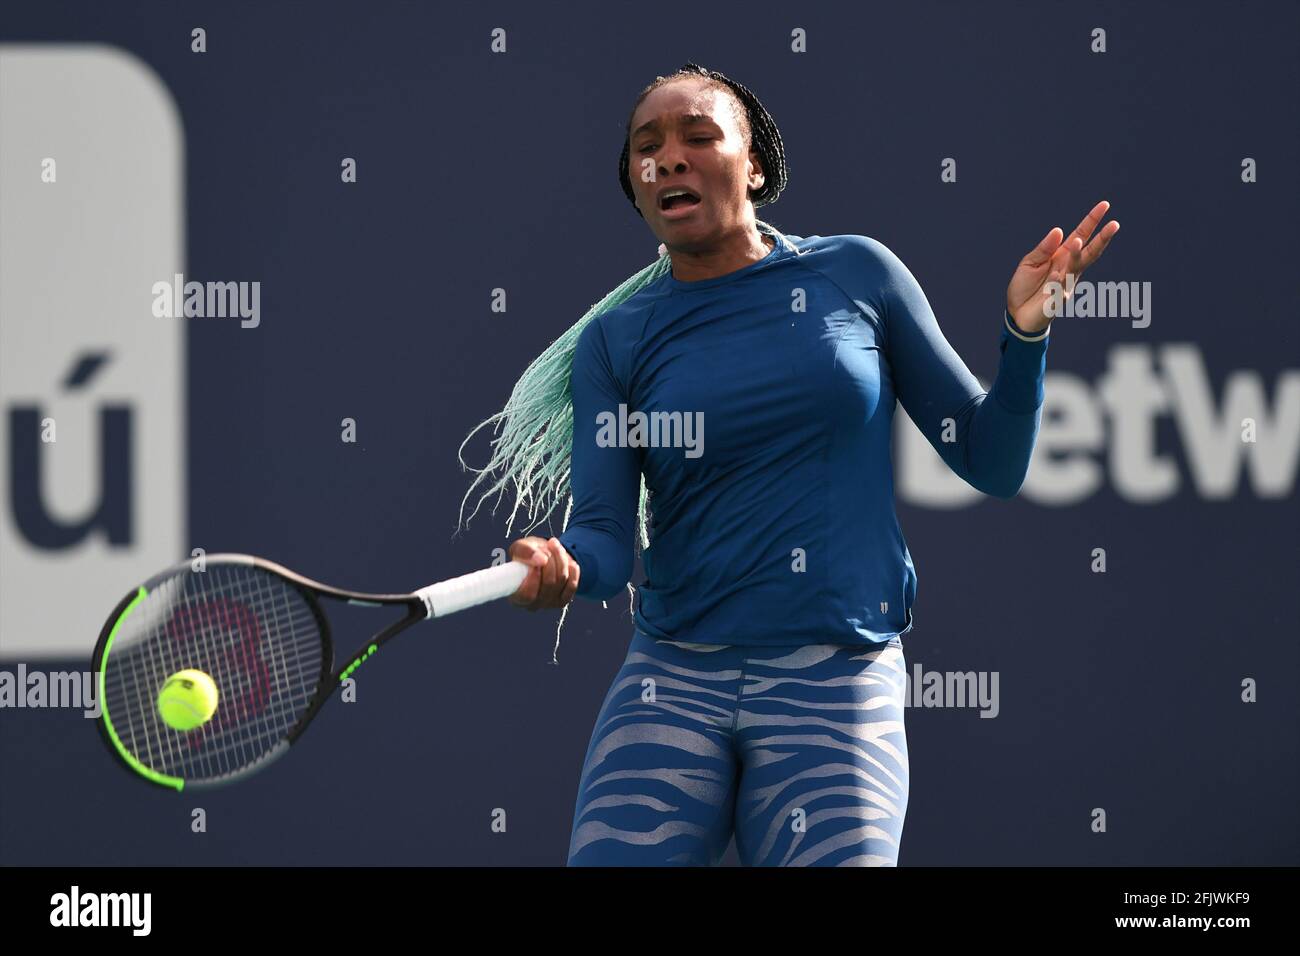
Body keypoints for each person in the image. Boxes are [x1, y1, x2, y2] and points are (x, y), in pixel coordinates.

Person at [458, 62, 1118, 865]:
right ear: (636, 187)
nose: (668, 158)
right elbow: (603, 540)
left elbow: (991, 462)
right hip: (670, 684)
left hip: (837, 686)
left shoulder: (859, 274)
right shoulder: (615, 341)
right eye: (647, 148)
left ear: (757, 166)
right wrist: (560, 564)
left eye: (698, 136)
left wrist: (1026, 336)